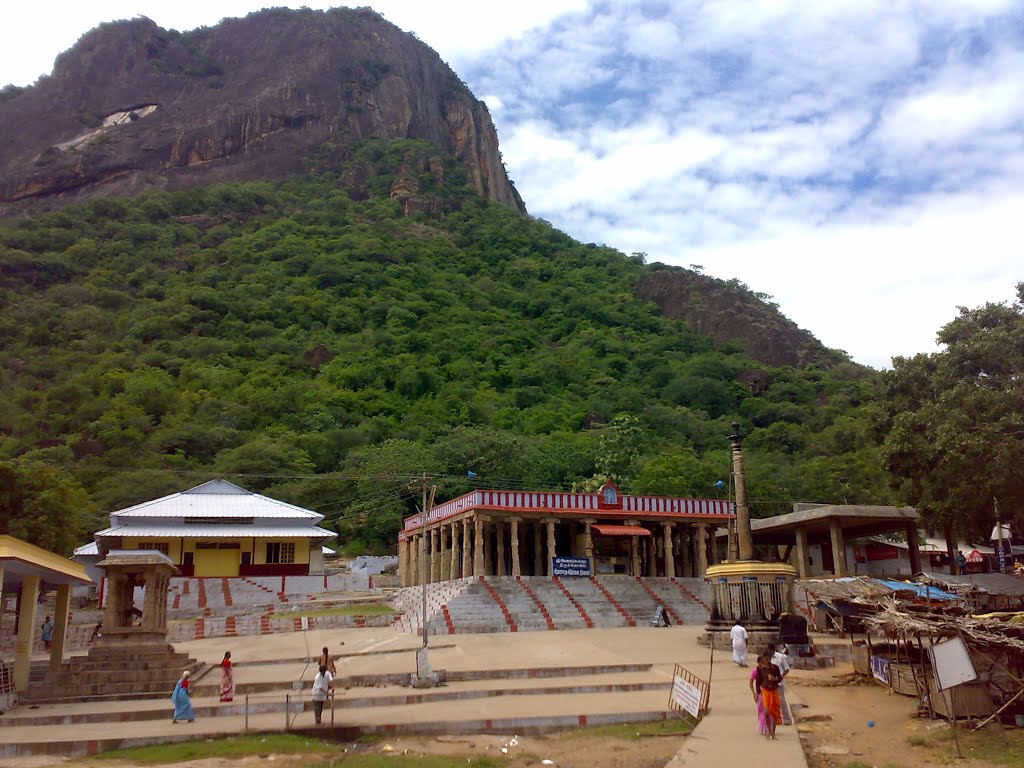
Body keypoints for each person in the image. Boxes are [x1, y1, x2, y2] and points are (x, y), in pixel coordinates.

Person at [754, 652, 783, 739]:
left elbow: (780, 678)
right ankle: (768, 730)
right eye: (767, 659)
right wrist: (757, 693)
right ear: (763, 660)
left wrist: (775, 679)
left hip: (774, 691)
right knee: (766, 712)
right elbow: (758, 681)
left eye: (770, 659)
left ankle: (773, 733)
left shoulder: (775, 668)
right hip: (765, 691)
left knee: (774, 713)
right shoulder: (760, 669)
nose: (769, 661)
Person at [768, 642, 792, 725]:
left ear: (772, 650)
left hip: (779, 683)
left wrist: (780, 678)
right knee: (771, 702)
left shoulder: (780, 657)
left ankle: (787, 719)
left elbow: (786, 669)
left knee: (781, 701)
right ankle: (775, 719)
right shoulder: (766, 657)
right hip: (769, 683)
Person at [748, 663, 769, 735]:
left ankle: (766, 727)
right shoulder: (755, 671)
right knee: (761, 711)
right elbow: (751, 683)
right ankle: (763, 727)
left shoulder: (768, 670)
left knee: (767, 710)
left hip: (767, 693)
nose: (764, 665)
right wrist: (754, 693)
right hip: (759, 693)